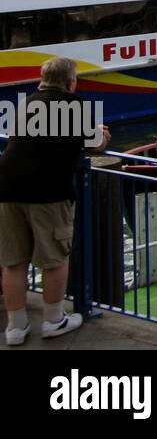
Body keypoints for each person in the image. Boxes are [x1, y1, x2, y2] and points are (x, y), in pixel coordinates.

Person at [0, 56, 110, 345]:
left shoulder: (27, 103)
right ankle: (53, 319)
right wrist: (102, 136)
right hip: (47, 191)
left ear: (42, 79)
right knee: (54, 257)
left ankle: (15, 327)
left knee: (13, 261)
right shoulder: (74, 106)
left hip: (7, 188)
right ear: (71, 82)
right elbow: (95, 141)